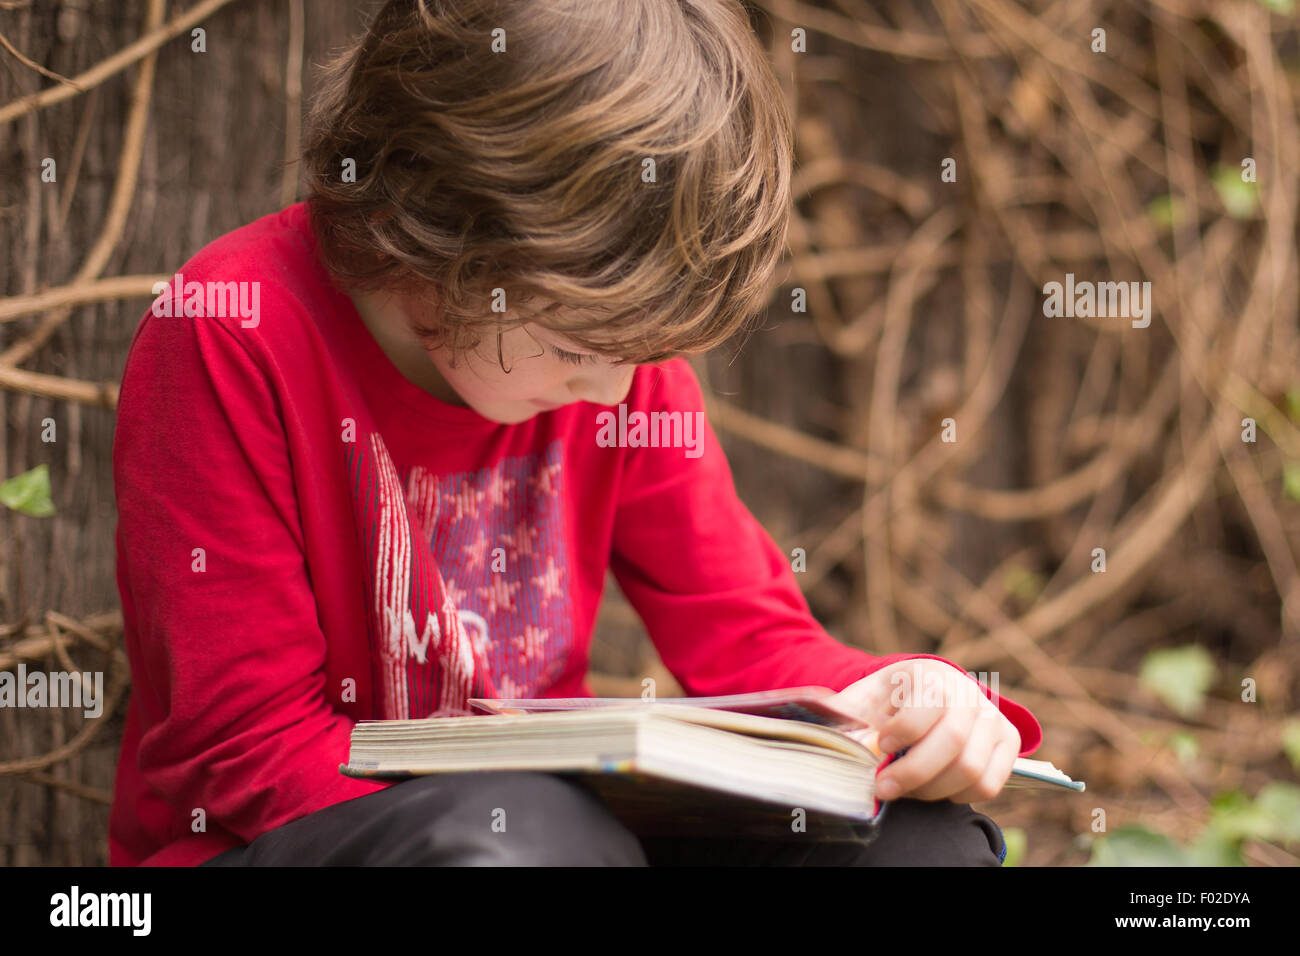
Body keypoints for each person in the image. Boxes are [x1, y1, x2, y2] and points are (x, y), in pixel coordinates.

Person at [109, 0, 1041, 867]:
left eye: (642, 351)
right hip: (306, 838)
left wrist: (907, 699)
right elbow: (246, 754)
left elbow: (753, 639)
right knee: (533, 839)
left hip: (563, 838)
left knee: (919, 840)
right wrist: (563, 810)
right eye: (576, 347)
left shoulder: (619, 369)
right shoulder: (231, 332)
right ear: (433, 226)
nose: (620, 389)